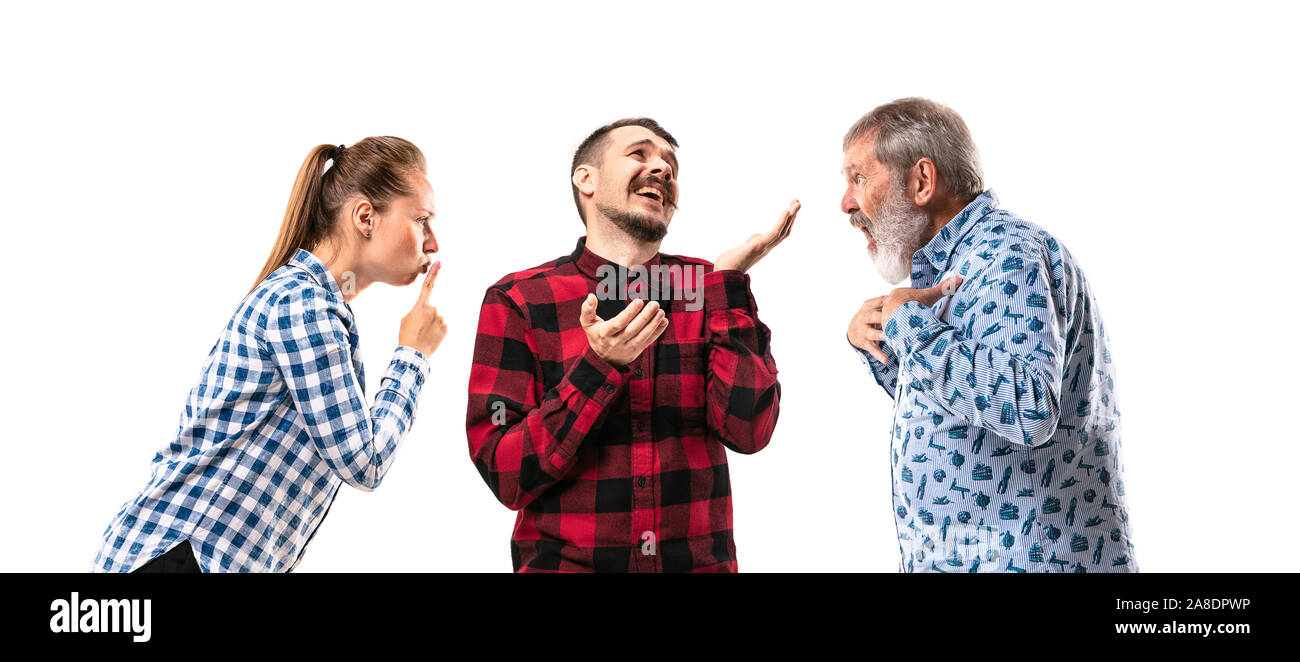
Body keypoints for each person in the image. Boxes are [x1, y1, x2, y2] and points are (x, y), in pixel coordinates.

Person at [93, 137, 447, 572]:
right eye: (422, 220)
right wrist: (413, 355)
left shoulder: (316, 305)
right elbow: (364, 462)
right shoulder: (302, 306)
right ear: (365, 217)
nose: (432, 243)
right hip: (179, 560)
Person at [466, 118, 797, 572]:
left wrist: (729, 286)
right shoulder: (520, 300)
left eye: (670, 164)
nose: (662, 168)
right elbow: (506, 473)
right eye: (639, 154)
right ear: (586, 178)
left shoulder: (709, 289)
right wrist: (597, 367)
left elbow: (751, 431)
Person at [841, 98, 1136, 572]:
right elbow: (968, 415)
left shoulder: (1007, 255)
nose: (847, 202)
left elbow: (1028, 409)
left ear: (921, 181)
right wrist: (880, 342)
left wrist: (907, 324)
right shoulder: (955, 265)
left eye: (859, 177)